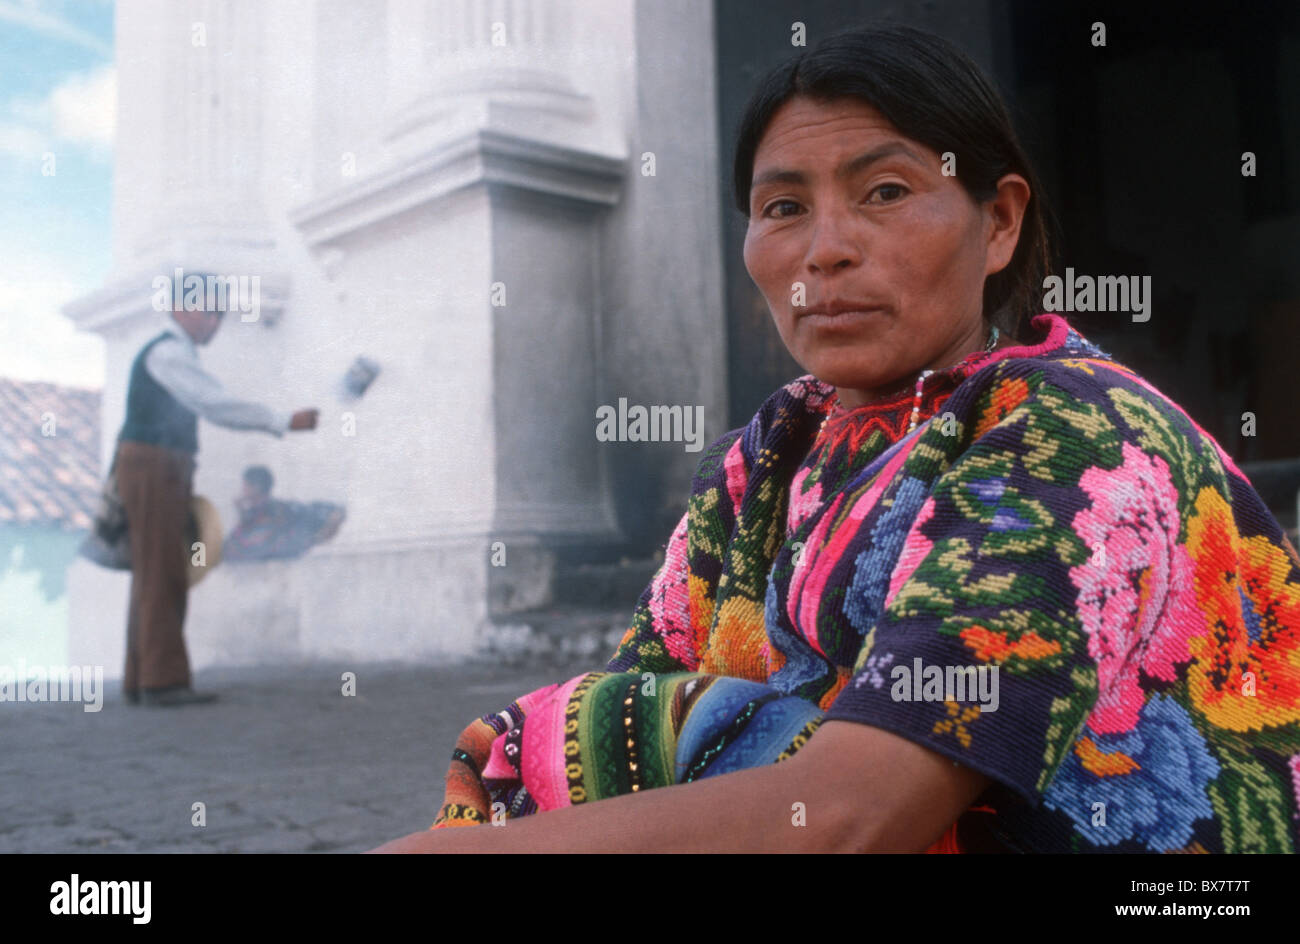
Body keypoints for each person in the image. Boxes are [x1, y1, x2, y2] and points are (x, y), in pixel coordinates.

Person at [372, 24, 1300, 853]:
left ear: (1000, 222)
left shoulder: (1075, 434)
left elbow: (859, 816)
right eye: (783, 209)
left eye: (885, 191)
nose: (826, 250)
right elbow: (631, 719)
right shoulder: (762, 462)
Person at [117, 289, 319, 707]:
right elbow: (215, 404)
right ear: (180, 308)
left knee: (153, 567)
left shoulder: (171, 351)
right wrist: (282, 420)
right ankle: (162, 681)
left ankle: (144, 677)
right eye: (207, 313)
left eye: (219, 315)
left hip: (157, 463)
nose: (214, 323)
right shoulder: (170, 353)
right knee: (164, 568)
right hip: (156, 464)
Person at [224, 465, 345, 561]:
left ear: (257, 487)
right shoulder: (252, 513)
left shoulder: (278, 509)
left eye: (245, 485)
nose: (242, 489)